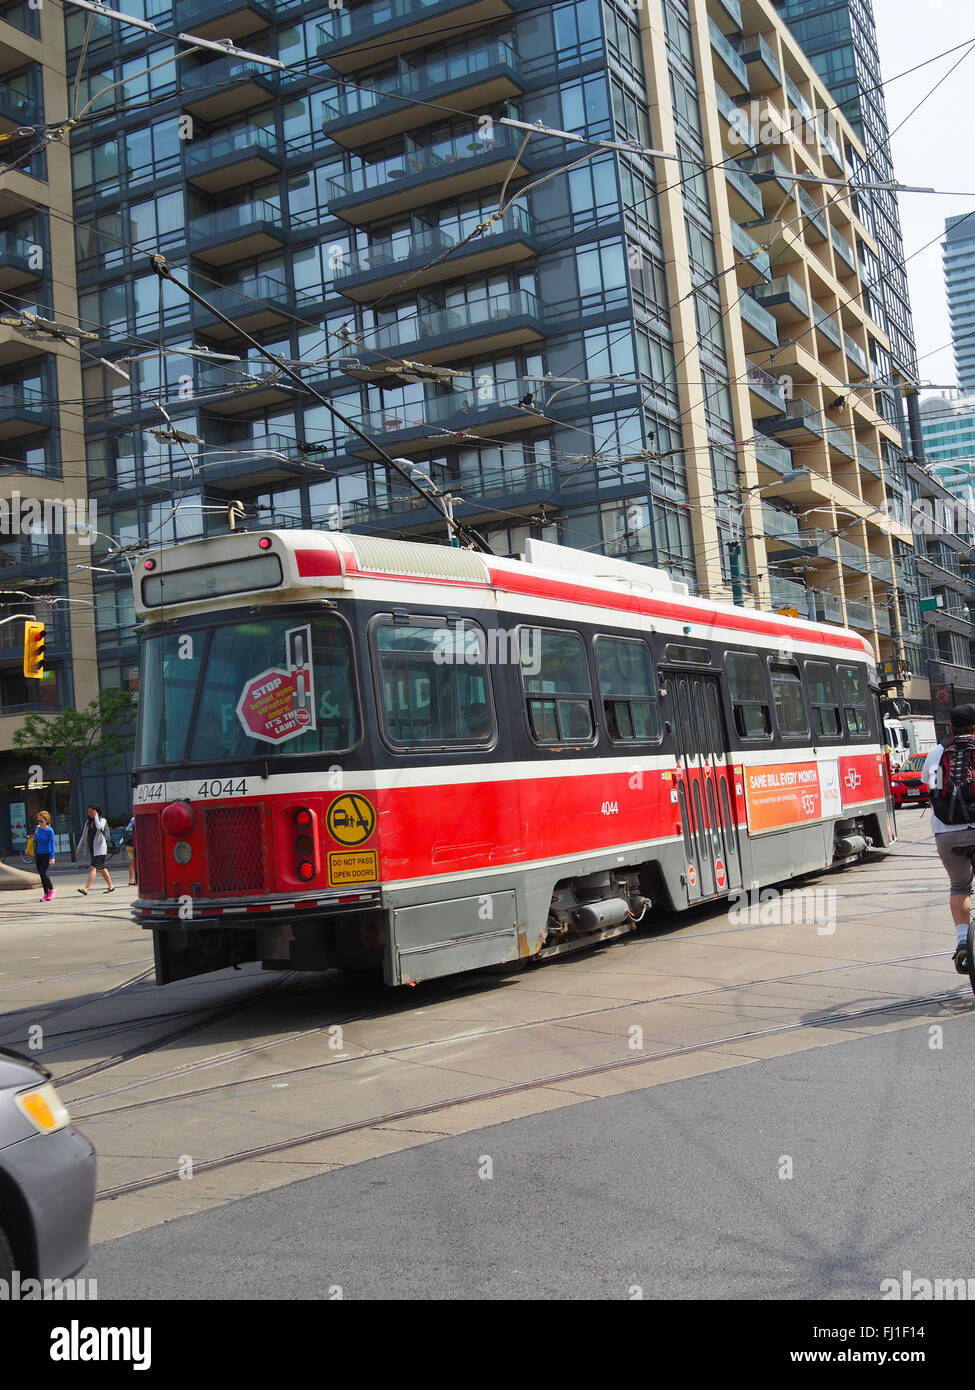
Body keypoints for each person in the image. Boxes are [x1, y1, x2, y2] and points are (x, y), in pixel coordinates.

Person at [923, 704, 975, 972]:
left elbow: (931, 789)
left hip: (947, 832)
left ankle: (963, 945)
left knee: (960, 887)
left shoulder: (937, 752)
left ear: (951, 727)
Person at [76, 804, 114, 895]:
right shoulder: (88, 823)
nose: (90, 814)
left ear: (97, 811)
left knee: (93, 868)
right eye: (89, 812)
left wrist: (96, 816)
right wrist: (78, 847)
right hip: (92, 849)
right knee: (101, 867)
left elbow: (99, 827)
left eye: (92, 812)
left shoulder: (102, 820)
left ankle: (86, 889)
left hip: (100, 849)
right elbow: (83, 836)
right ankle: (111, 886)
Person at [33, 811, 56, 903]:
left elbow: (52, 844)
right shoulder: (37, 828)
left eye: (41, 821)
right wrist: (29, 849)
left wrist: (53, 857)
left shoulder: (49, 830)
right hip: (38, 854)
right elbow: (34, 840)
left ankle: (52, 890)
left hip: (47, 854)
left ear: (46, 821)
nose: (39, 823)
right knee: (41, 875)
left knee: (43, 872)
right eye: (38, 821)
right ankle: (45, 893)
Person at [123, 814, 136, 886]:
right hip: (135, 843)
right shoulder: (135, 819)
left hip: (129, 844)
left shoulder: (129, 824)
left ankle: (131, 879)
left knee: (132, 862)